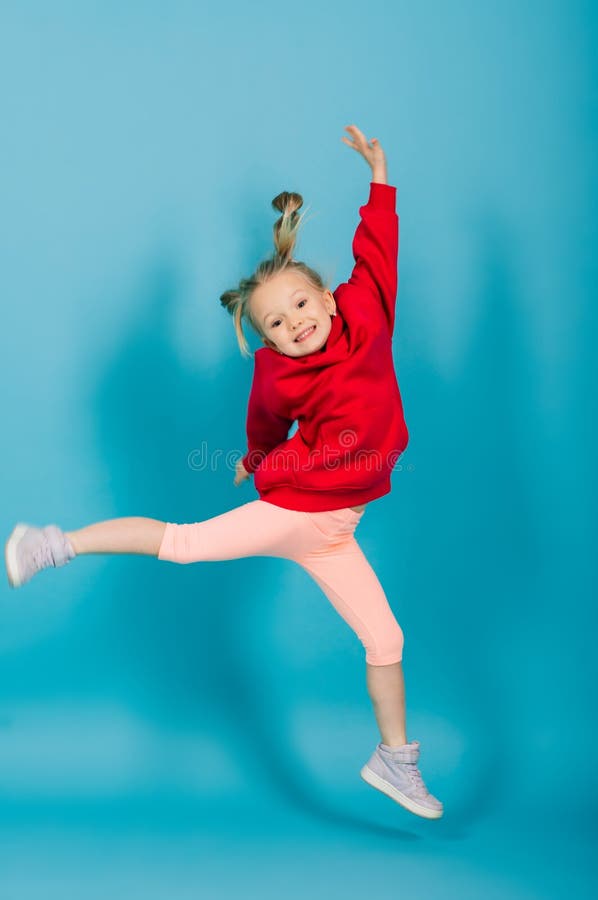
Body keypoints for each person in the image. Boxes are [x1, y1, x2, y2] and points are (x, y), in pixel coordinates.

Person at [4, 124, 443, 820]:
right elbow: (265, 423)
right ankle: (51, 542)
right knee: (182, 543)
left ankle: (393, 761)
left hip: (336, 528)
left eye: (299, 305)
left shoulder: (365, 309)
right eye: (274, 323)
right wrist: (260, 461)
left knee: (385, 639)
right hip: (299, 506)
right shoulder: (277, 375)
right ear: (265, 339)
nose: (293, 323)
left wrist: (379, 182)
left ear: (328, 298)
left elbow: (378, 251)